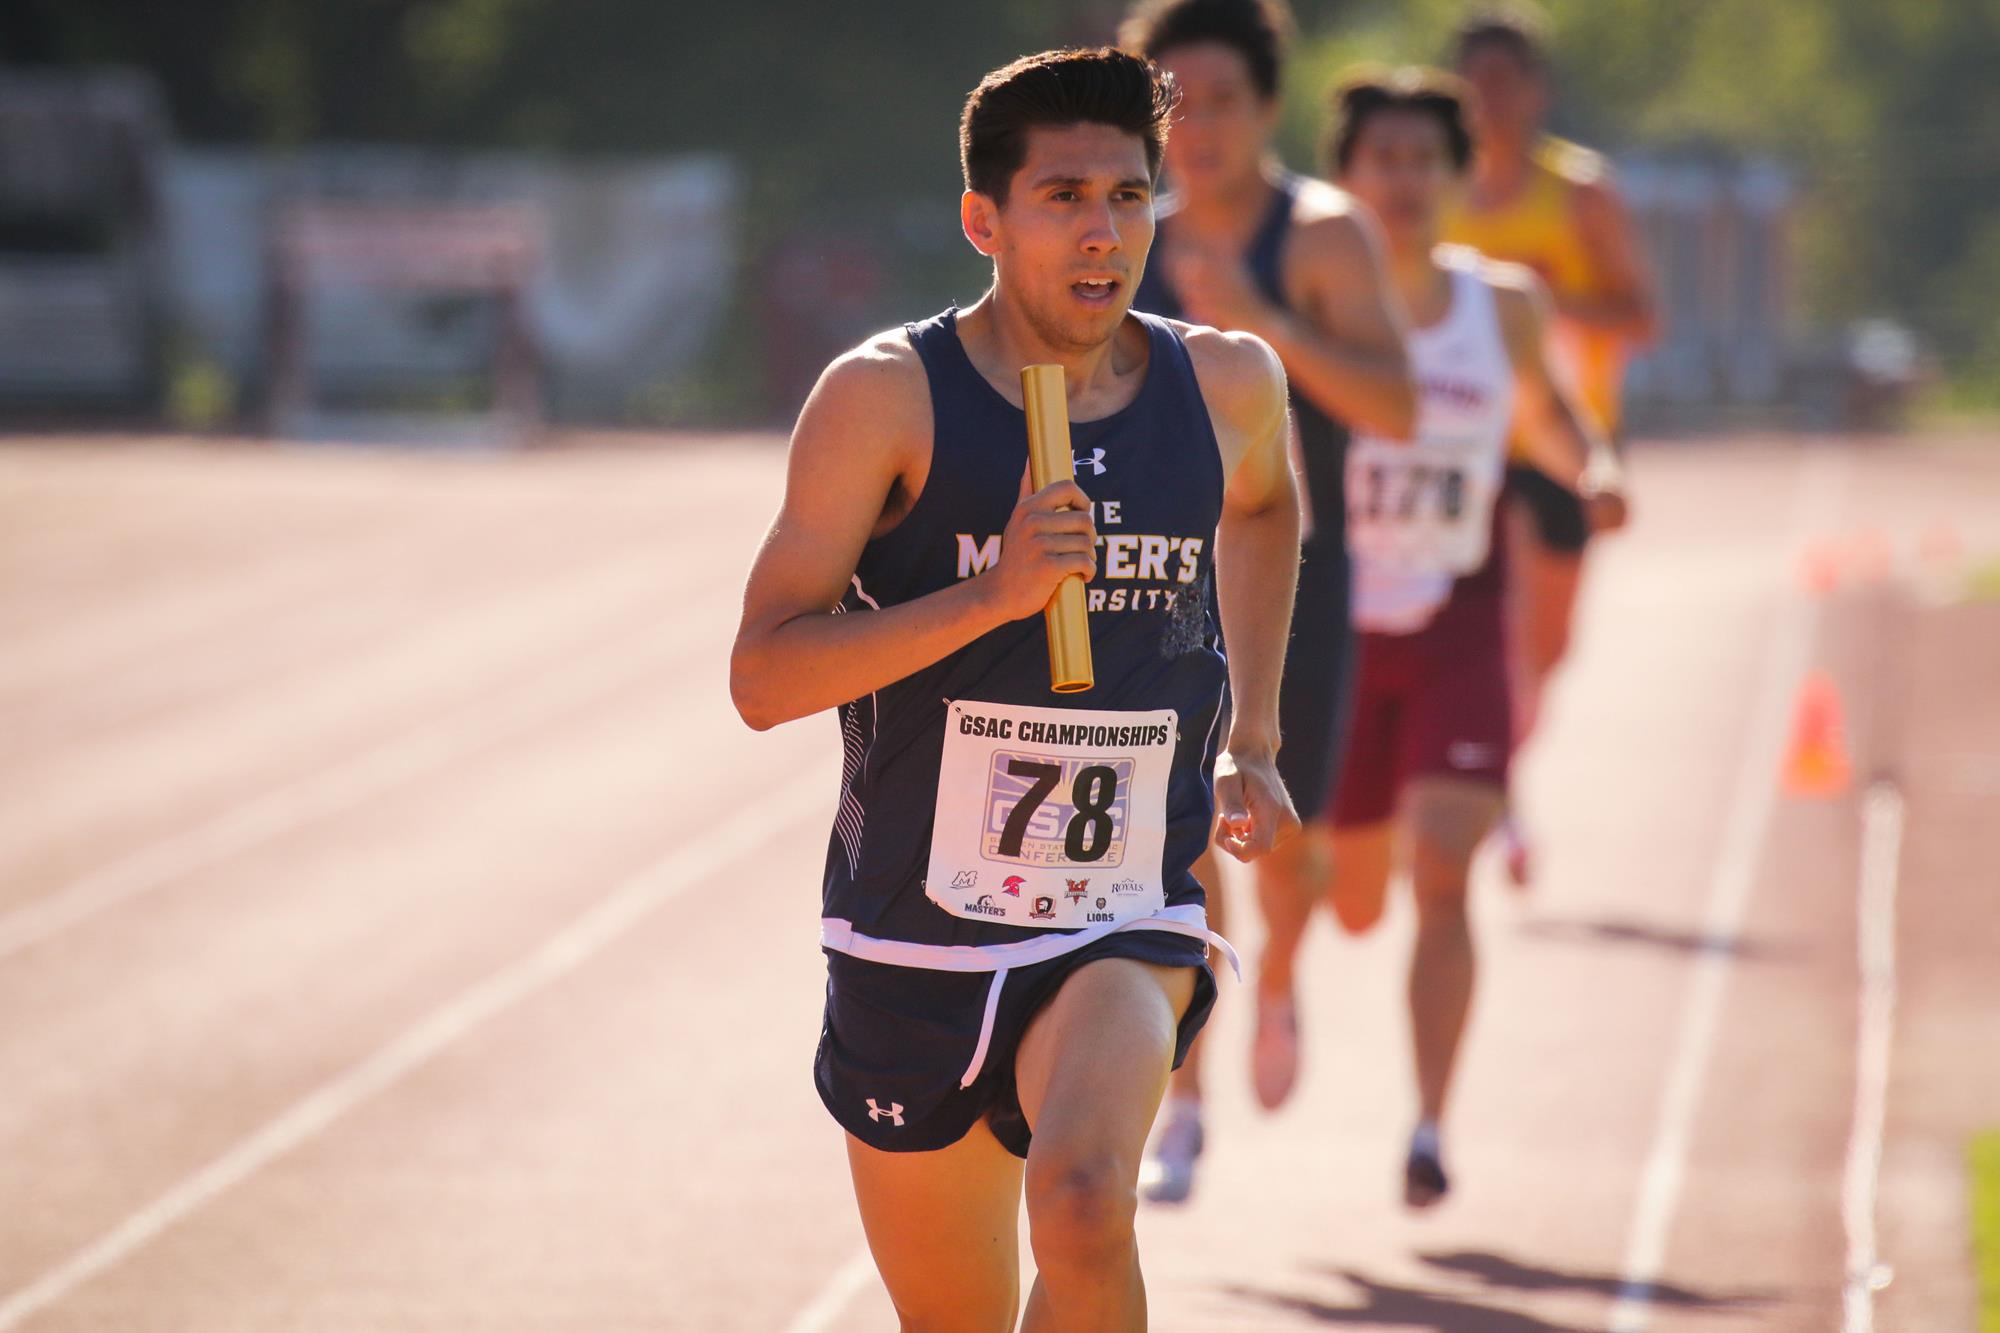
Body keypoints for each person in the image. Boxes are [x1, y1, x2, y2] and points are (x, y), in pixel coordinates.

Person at [731, 47, 1303, 1329]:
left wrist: (1252, 736)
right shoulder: (885, 401)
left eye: (1128, 195)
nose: (1103, 233)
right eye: (1062, 197)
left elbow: (1264, 507)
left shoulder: (1224, 385)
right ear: (982, 218)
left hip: (1120, 907)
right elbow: (762, 674)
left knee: (1090, 1200)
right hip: (909, 930)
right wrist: (987, 598)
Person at [1250, 65, 1621, 1208]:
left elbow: (1549, 424)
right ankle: (1275, 978)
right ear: (1342, 178)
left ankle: (1425, 1126)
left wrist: (1593, 471)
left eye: (1425, 161)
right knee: (1340, 892)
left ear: (1456, 177)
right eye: (1382, 161)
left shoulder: (1499, 304)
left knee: (1446, 871)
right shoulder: (1310, 302)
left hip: (1460, 611)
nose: (1405, 182)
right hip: (1335, 624)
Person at [1118, 0, 1417, 1203]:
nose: (1197, 129)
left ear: (1266, 109)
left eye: (1223, 102)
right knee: (1168, 841)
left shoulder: (1326, 235)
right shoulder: (1119, 230)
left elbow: (1396, 409)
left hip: (1296, 571)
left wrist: (1261, 320)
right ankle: (1182, 1099)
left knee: (1283, 855)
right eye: (1173, 103)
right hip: (1154, 576)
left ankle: (1276, 976)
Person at [1441, 4, 1655, 883]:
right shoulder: (1430, 191)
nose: (1490, 100)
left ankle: (1497, 768)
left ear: (1538, 92)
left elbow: (1641, 315)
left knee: (1544, 648)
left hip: (1564, 440)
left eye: (1506, 82)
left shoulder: (1579, 193)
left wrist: (1542, 303)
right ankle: (1489, 785)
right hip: (1464, 449)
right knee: (1478, 630)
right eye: (1475, 83)